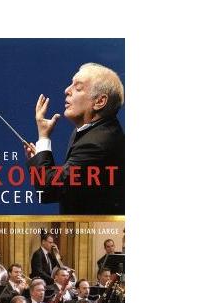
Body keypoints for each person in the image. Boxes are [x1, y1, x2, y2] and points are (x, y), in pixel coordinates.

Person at [25, 62, 125, 215]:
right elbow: (63, 188)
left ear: (99, 102)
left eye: (78, 88)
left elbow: (49, 189)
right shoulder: (93, 131)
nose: (67, 90)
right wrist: (40, 158)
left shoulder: (95, 144)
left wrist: (43, 138)